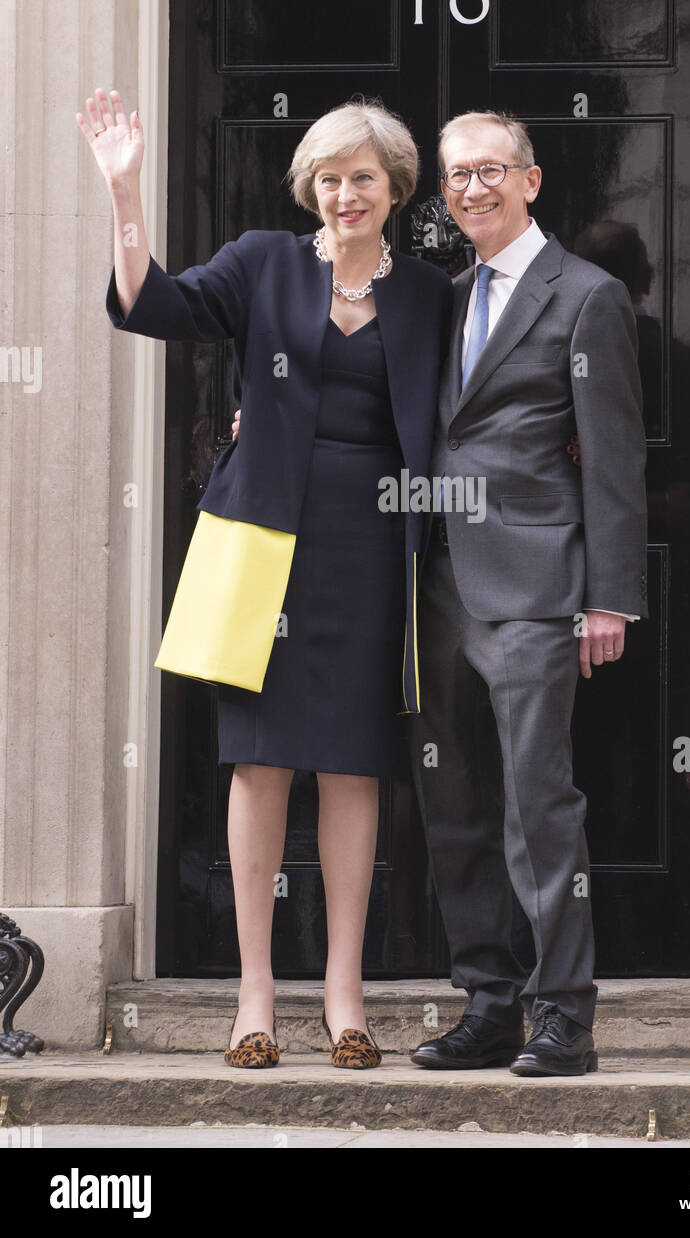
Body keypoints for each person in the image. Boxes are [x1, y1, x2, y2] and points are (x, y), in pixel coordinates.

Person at [77, 87, 452, 1070]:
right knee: (261, 758)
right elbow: (152, 304)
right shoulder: (261, 263)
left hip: (372, 547)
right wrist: (125, 194)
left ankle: (342, 992)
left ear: (395, 186)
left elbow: (474, 409)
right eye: (327, 178)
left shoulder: (428, 295)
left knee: (352, 759)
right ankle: (253, 992)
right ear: (309, 188)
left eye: (361, 177)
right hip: (260, 544)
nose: (344, 194)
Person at [406, 111, 648, 1077]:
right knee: (454, 801)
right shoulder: (443, 296)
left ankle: (564, 1016)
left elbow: (616, 459)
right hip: (439, 587)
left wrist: (610, 598)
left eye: (490, 171)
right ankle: (491, 1003)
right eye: (456, 175)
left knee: (537, 805)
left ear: (531, 182)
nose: (470, 188)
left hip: (539, 587)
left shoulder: (586, 297)